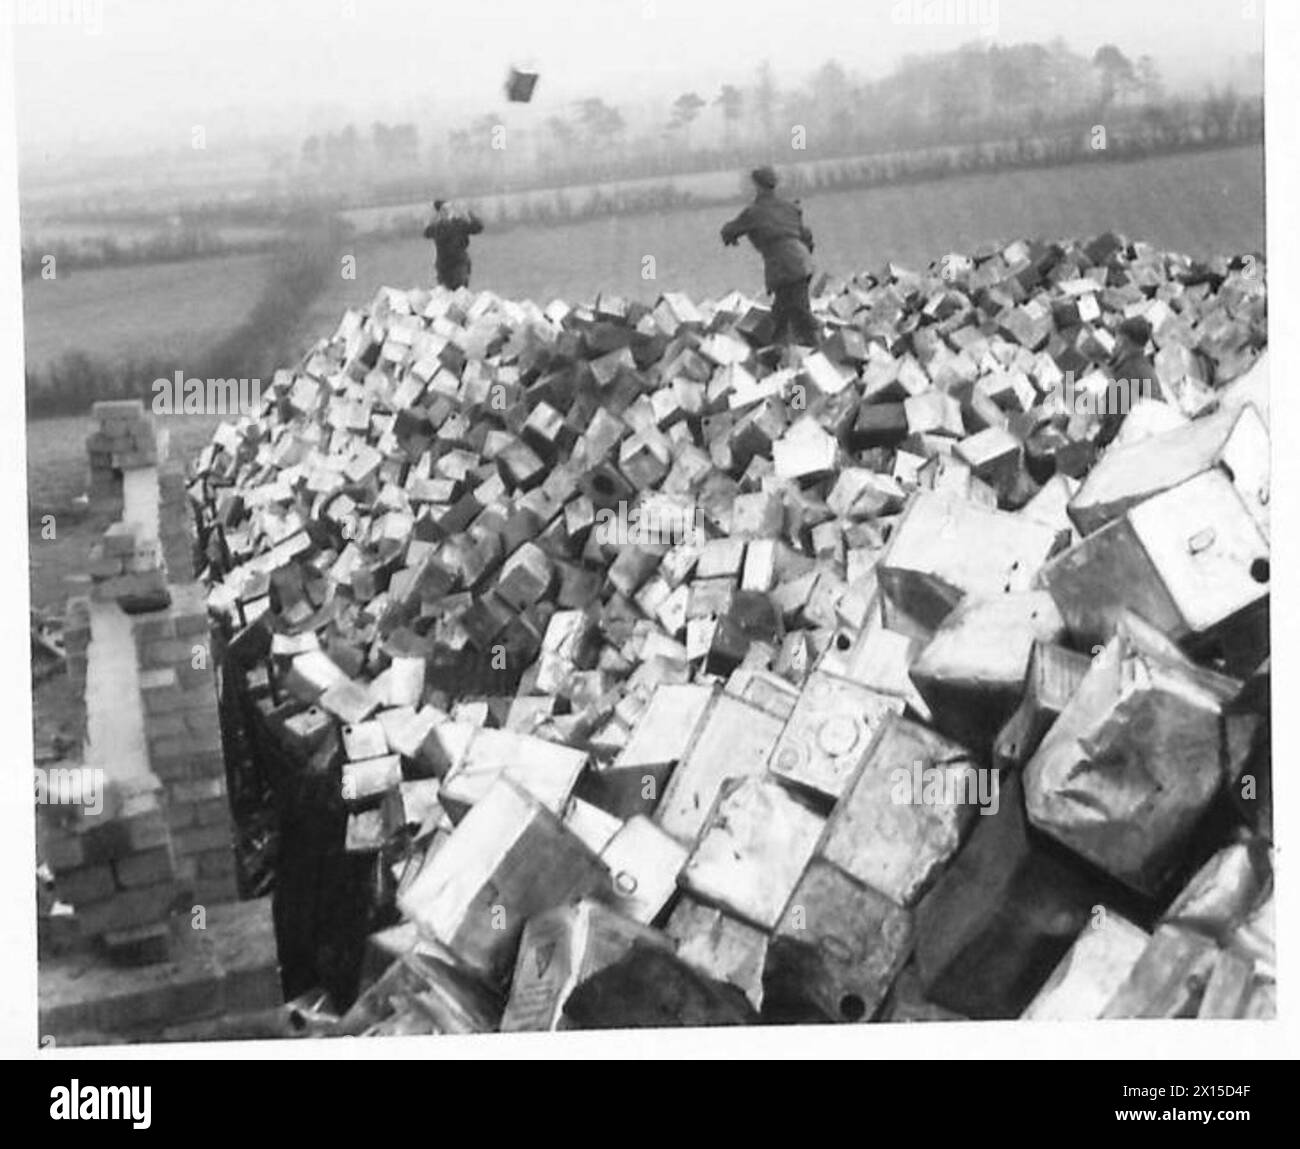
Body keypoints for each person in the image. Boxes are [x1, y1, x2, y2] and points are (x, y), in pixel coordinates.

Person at [720, 166, 818, 347]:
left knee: (796, 312)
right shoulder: (790, 207)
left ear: (757, 186)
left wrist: (730, 237)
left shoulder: (754, 212)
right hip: (802, 262)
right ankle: (784, 349)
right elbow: (806, 235)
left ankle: (815, 346)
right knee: (786, 310)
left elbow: (729, 230)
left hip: (782, 265)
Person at [423, 199, 484, 290]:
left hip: (458, 265)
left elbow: (477, 228)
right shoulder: (440, 227)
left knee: (458, 291)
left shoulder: (457, 224)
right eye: (444, 210)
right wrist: (469, 215)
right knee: (448, 293)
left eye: (449, 209)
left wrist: (470, 215)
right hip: (445, 267)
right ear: (440, 212)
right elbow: (426, 232)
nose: (448, 212)